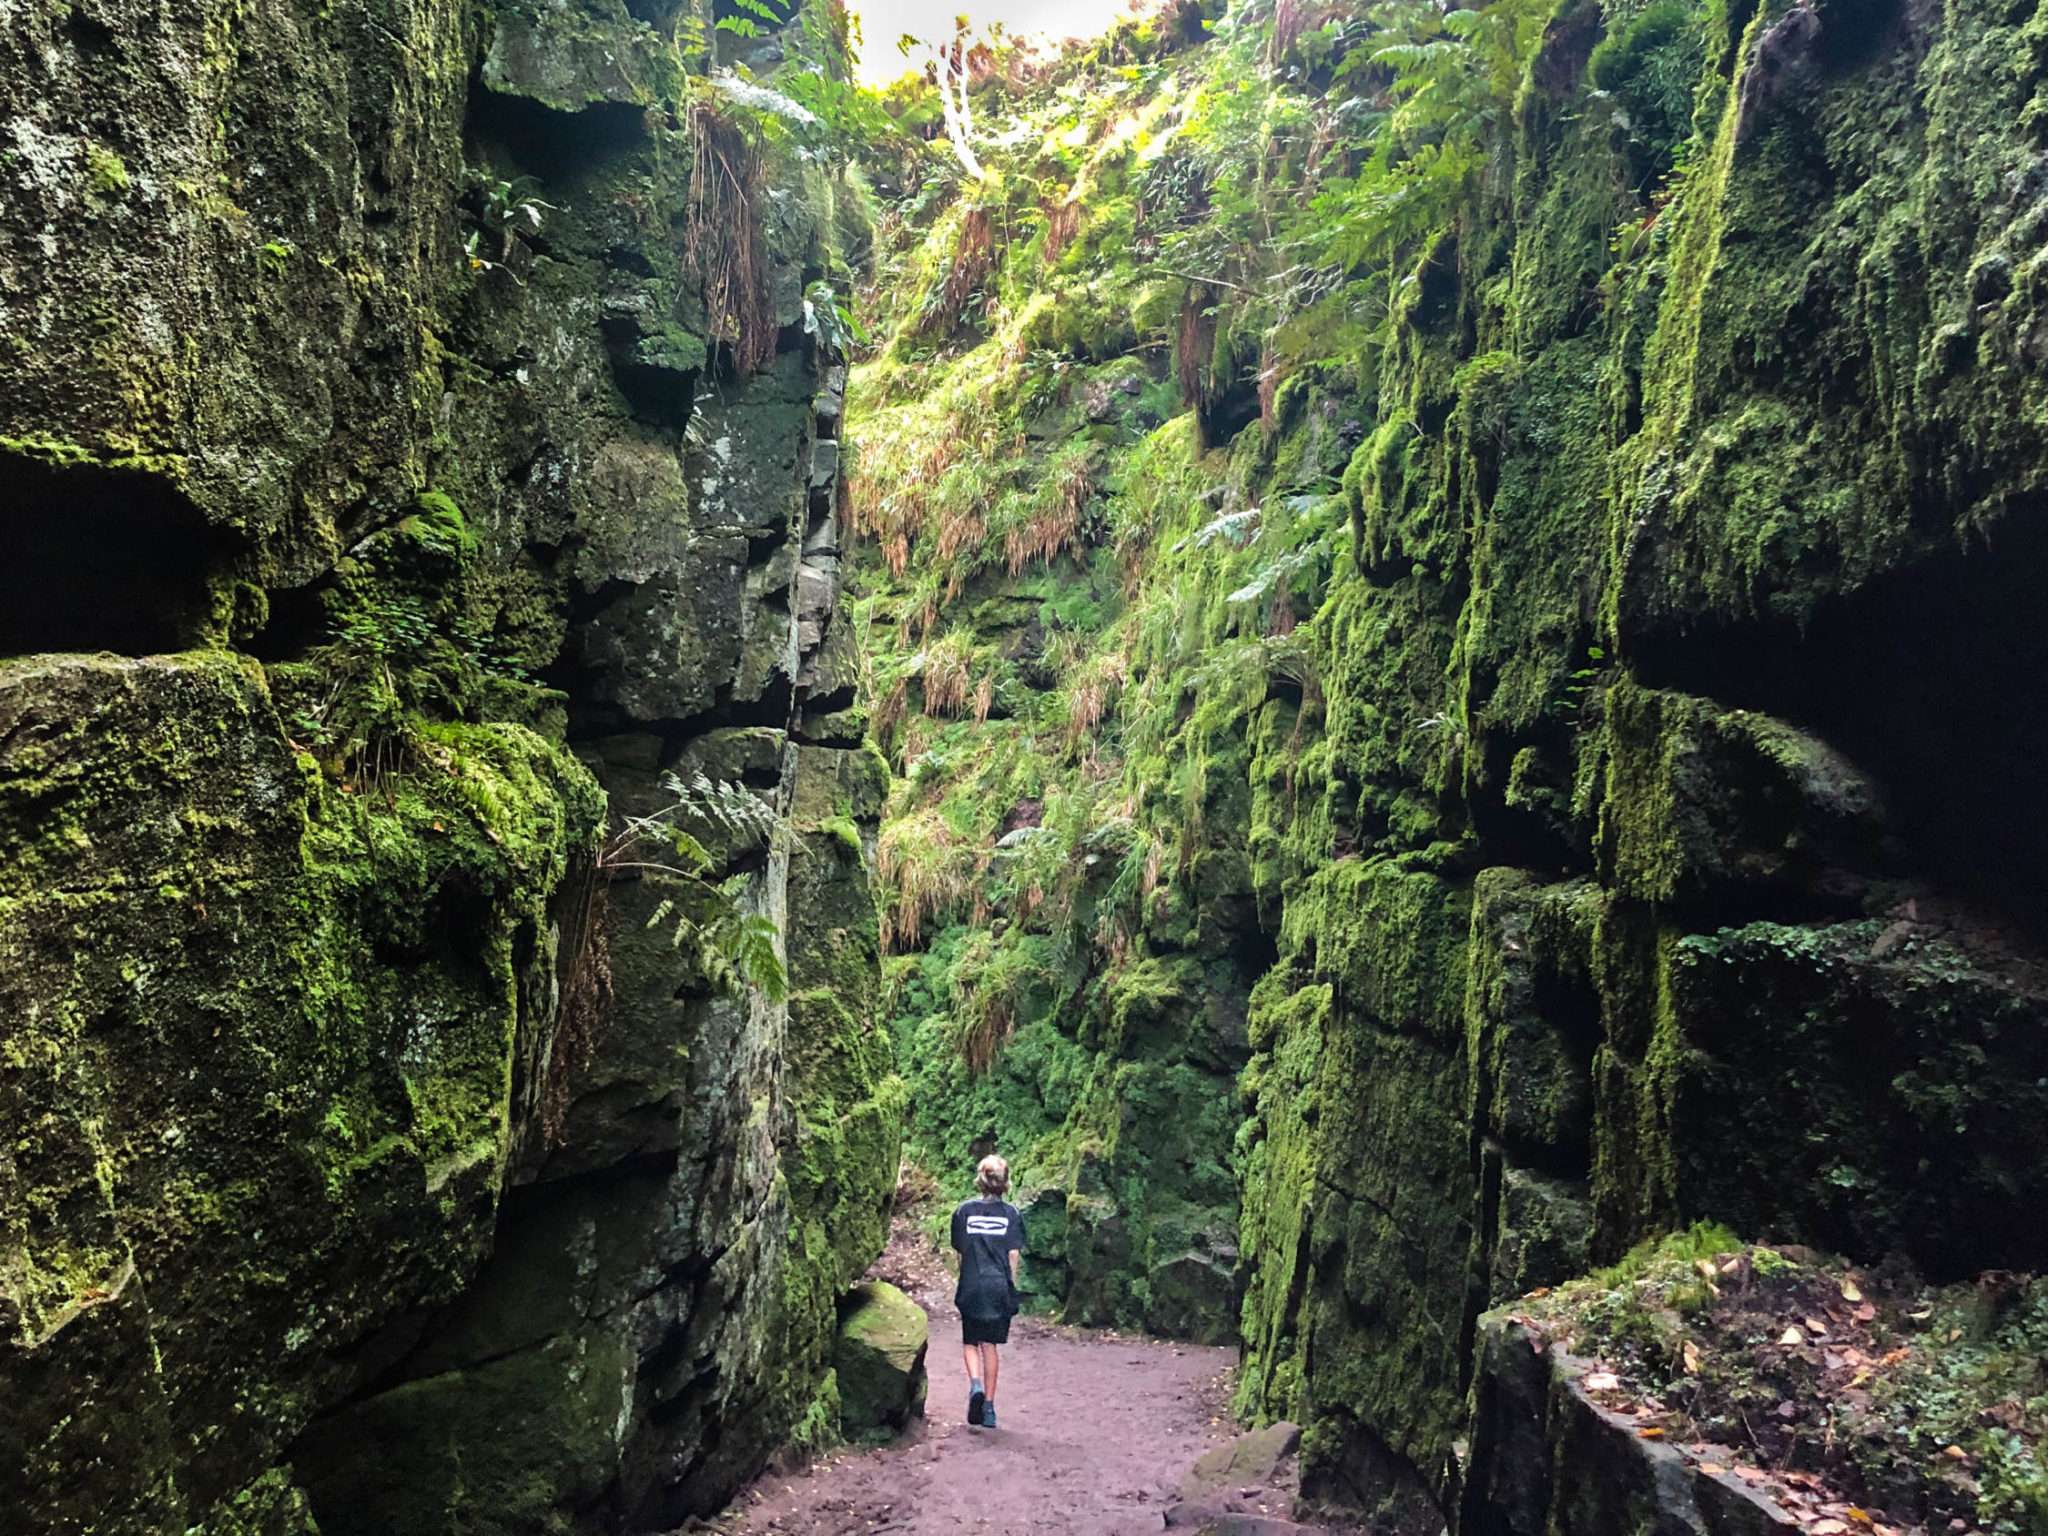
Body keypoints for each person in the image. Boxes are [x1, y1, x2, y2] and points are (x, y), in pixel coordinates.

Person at [949, 1153, 1024, 1431]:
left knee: (970, 1341)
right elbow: (1013, 1254)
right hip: (998, 1285)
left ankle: (975, 1385)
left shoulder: (963, 1211)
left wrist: (964, 1277)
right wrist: (1010, 1285)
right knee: (990, 1346)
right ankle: (989, 1408)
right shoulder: (1012, 1214)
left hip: (972, 1282)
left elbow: (960, 1251)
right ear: (1005, 1183)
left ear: (980, 1180)